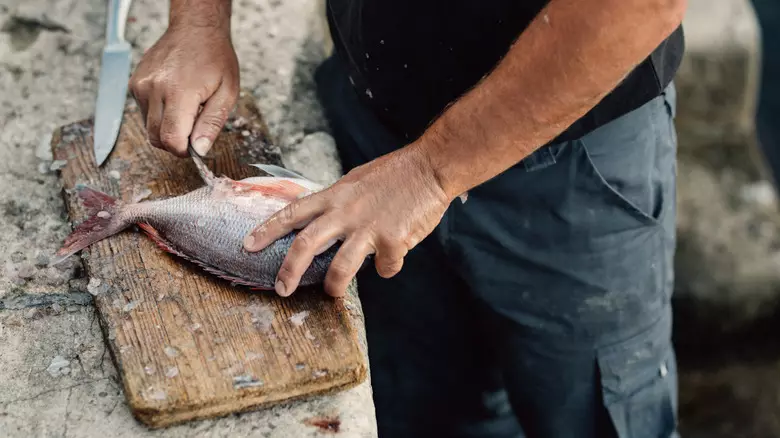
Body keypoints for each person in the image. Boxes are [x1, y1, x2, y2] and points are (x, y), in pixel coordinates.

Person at [129, 0, 687, 436]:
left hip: (567, 164)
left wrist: (430, 174)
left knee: (591, 417)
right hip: (370, 119)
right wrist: (199, 21)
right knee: (429, 407)